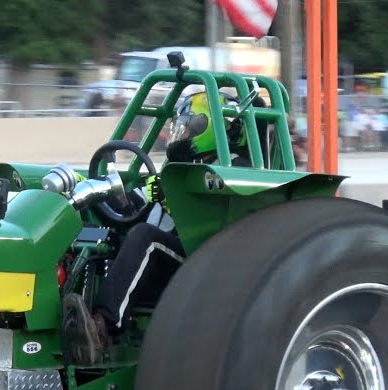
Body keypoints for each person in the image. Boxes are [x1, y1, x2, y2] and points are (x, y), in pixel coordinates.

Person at [63, 87, 252, 365]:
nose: (183, 133)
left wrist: (171, 198)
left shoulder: (236, 169)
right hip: (167, 258)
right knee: (107, 231)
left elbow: (216, 219)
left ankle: (102, 330)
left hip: (202, 264)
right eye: (182, 126)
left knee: (145, 238)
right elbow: (138, 208)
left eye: (192, 126)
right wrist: (89, 187)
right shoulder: (181, 168)